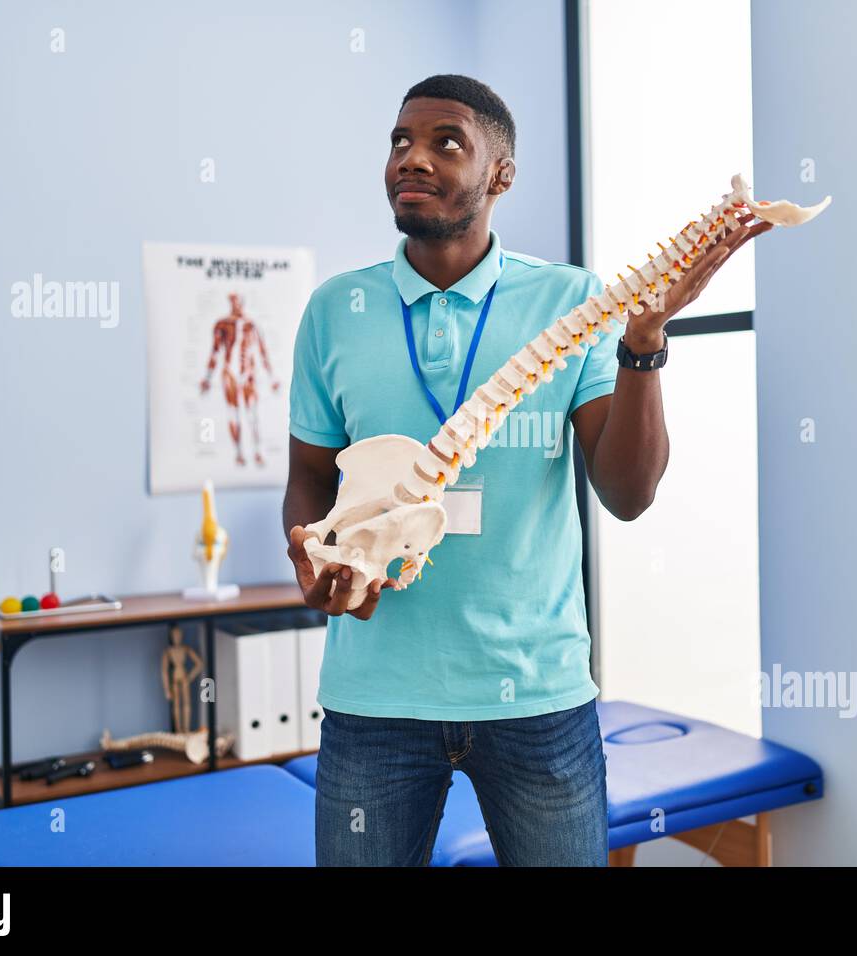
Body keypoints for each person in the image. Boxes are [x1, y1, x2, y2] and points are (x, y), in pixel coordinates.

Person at [282, 74, 770, 866]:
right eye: (400, 141)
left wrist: (642, 342)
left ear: (501, 176)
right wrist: (311, 556)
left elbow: (628, 492)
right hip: (375, 700)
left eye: (446, 143)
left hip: (537, 696)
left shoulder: (574, 301)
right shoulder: (337, 310)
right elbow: (309, 482)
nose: (413, 158)